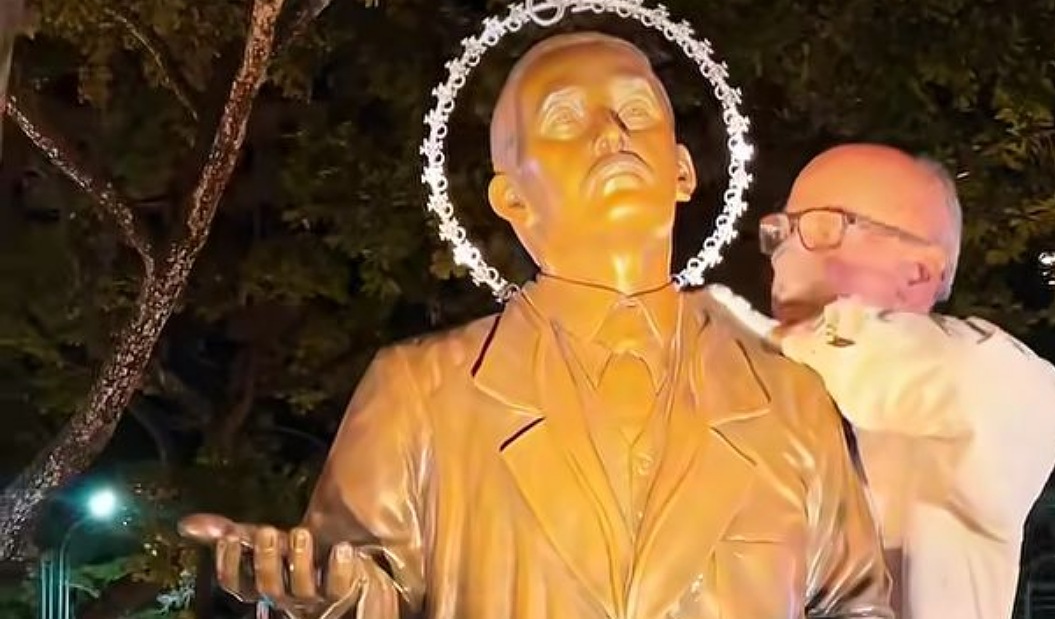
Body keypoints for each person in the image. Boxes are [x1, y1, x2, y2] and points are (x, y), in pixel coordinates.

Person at [181, 35, 894, 619]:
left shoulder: (788, 400)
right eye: (563, 120)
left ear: (681, 170)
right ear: (510, 195)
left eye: (635, 110)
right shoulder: (421, 391)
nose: (611, 133)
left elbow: (858, 604)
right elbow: (366, 585)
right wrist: (330, 598)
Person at [712, 143, 1055, 619]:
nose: (785, 247)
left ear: (920, 270)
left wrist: (767, 340)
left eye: (824, 225)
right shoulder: (732, 389)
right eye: (781, 228)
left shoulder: (991, 388)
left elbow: (1021, 402)